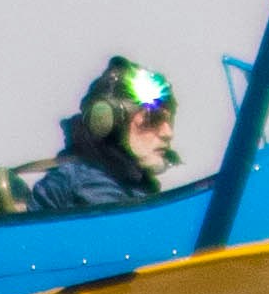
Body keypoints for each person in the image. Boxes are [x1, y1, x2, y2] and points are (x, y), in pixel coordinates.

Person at [13, 56, 187, 213]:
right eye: (152, 119)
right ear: (107, 122)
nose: (168, 133)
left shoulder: (124, 184)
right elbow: (125, 233)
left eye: (169, 120)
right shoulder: (90, 184)